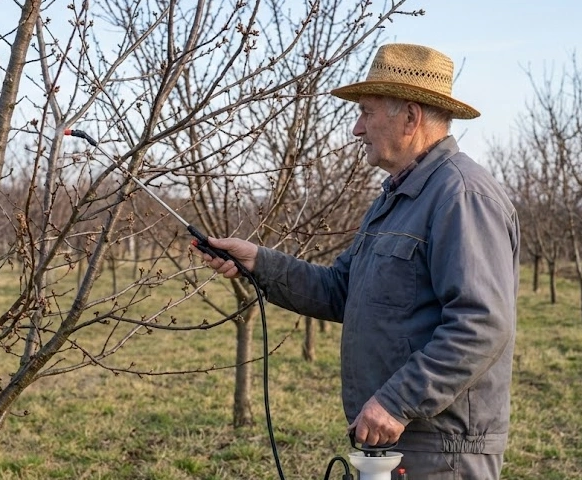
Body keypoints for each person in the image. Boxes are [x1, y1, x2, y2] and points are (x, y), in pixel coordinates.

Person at [197, 43, 520, 479]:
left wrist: (397, 400)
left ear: (410, 116)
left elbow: (481, 323)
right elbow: (340, 290)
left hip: (441, 449)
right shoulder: (397, 198)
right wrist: (259, 262)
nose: (355, 128)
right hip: (396, 438)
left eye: (366, 112)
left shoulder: (461, 197)